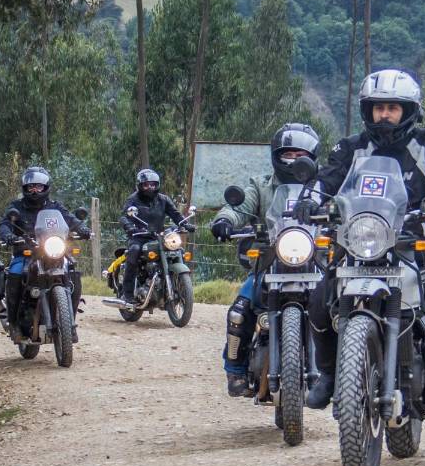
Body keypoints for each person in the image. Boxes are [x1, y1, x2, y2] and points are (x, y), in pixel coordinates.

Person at [293, 69, 425, 424]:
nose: (385, 115)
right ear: (368, 111)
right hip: (359, 245)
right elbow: (326, 178)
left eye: (393, 107)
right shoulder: (351, 147)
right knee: (317, 300)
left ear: (409, 111)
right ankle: (329, 374)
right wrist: (310, 198)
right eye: (378, 108)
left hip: (417, 246)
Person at [210, 123, 321, 396]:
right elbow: (239, 206)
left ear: (313, 158)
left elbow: (344, 207)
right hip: (269, 263)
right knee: (239, 310)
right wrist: (225, 220)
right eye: (288, 154)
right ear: (276, 155)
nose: (293, 161)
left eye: (300, 155)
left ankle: (339, 371)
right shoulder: (260, 185)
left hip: (315, 265)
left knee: (341, 310)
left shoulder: (323, 188)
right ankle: (235, 370)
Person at [0, 167, 90, 336]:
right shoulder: (16, 207)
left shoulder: (55, 206)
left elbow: (70, 219)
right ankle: (14, 323)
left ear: (46, 188)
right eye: (31, 187)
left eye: (38, 187)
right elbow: (5, 224)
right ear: (25, 188)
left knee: (73, 273)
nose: (34, 190)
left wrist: (82, 228)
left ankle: (70, 323)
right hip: (26, 252)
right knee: (16, 273)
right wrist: (8, 235)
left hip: (53, 250)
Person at [116, 168, 195, 303]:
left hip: (158, 236)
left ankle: (175, 285)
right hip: (139, 236)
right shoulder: (133, 199)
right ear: (140, 185)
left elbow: (175, 214)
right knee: (134, 251)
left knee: (178, 251)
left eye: (152, 184)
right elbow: (124, 216)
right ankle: (127, 293)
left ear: (157, 185)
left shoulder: (163, 200)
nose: (149, 187)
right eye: (146, 185)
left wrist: (185, 224)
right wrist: (129, 227)